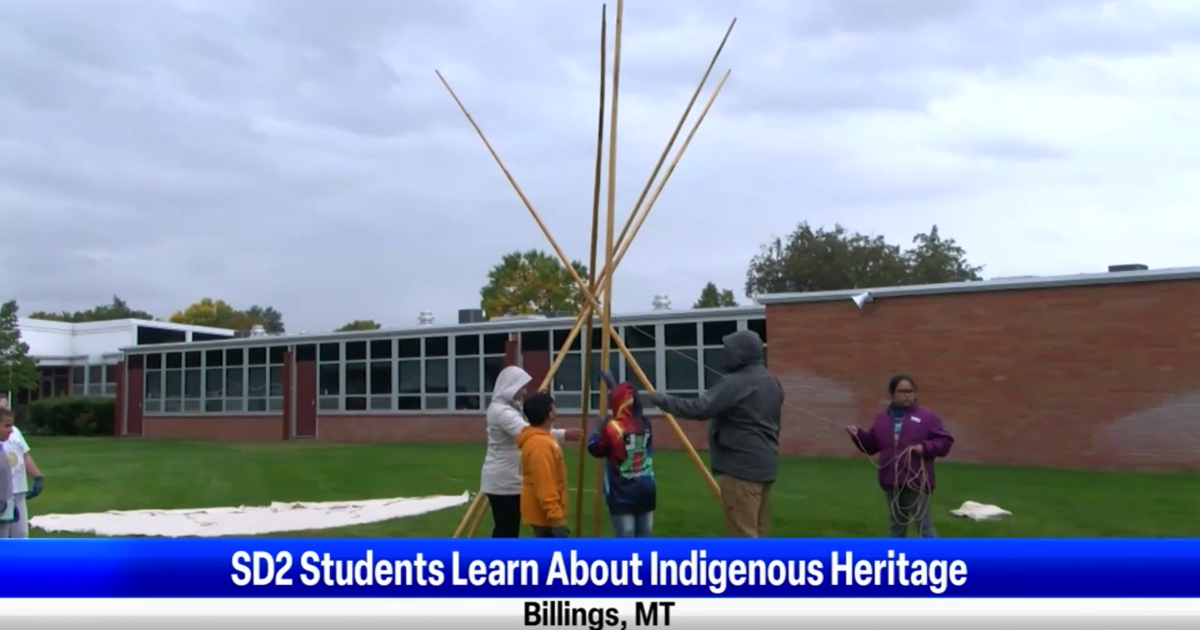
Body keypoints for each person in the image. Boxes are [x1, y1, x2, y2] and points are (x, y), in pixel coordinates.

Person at [650, 329, 783, 538]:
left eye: (728, 351)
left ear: (741, 354)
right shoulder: (771, 380)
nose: (724, 355)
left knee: (742, 535)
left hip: (742, 469)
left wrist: (660, 400)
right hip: (765, 465)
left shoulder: (737, 381)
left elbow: (699, 408)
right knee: (758, 530)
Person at [846, 374, 954, 538]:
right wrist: (857, 435)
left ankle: (935, 560)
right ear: (892, 394)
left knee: (923, 526)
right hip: (891, 480)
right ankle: (895, 560)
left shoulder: (927, 417)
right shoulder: (882, 419)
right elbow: (870, 446)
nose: (907, 395)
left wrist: (924, 447)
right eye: (902, 391)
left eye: (910, 391)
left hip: (915, 480)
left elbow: (945, 441)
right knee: (896, 526)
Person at [480, 365, 581, 538]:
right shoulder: (502, 411)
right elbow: (530, 432)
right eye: (522, 388)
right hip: (503, 479)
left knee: (509, 529)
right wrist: (562, 434)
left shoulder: (511, 408)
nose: (524, 391)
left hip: (511, 475)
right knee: (506, 530)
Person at [587, 371, 656, 537]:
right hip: (646, 490)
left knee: (625, 540)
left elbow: (595, 449)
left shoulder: (612, 428)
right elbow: (628, 407)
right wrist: (614, 387)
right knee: (644, 540)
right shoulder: (645, 423)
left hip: (622, 493)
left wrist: (597, 430)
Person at [517, 391, 569, 538]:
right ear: (549, 414)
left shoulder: (545, 438)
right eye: (553, 406)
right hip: (545, 517)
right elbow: (545, 483)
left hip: (547, 515)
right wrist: (556, 518)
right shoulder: (540, 445)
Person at [4, 424, 44, 539]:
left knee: (20, 534)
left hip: (18, 491)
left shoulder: (13, 430)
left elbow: (24, 454)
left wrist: (37, 476)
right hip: (2, 494)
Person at [0, 408, 18, 538]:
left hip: (4, 511)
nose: (11, 430)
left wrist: (10, 504)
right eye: (7, 426)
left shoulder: (1, 450)